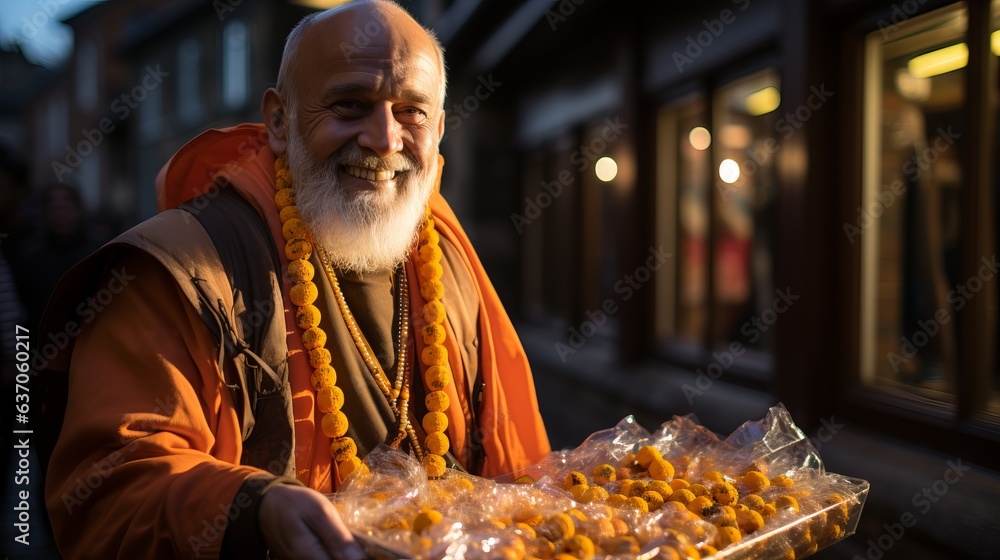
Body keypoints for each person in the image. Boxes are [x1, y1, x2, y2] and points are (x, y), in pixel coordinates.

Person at [40, 2, 551, 559]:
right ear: (280, 121)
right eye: (350, 105)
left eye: (411, 112)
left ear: (441, 128)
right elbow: (109, 496)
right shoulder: (181, 269)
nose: (384, 139)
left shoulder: (449, 259)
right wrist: (250, 510)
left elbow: (509, 468)